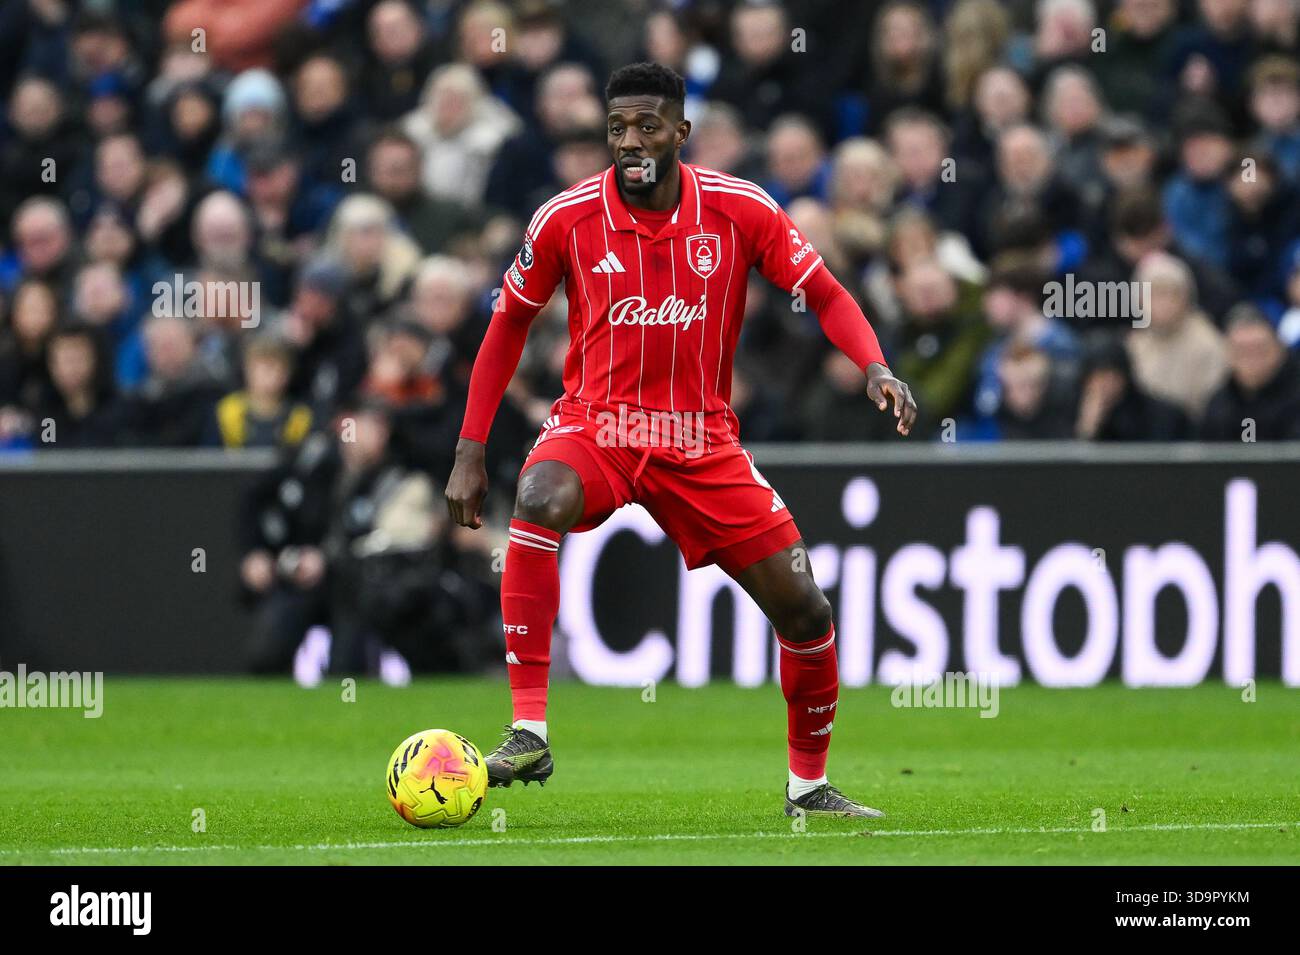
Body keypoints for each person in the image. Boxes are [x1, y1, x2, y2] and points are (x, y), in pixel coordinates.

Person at [444, 63, 916, 818]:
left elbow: (823, 291)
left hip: (701, 442)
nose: (631, 142)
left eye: (648, 126)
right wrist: (470, 447)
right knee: (539, 492)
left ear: (681, 133)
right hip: (598, 424)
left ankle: (809, 787)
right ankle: (529, 729)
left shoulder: (738, 209)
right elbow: (506, 324)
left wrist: (874, 363)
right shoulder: (564, 218)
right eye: (617, 128)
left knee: (805, 609)